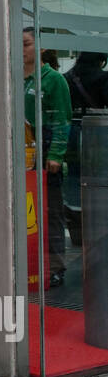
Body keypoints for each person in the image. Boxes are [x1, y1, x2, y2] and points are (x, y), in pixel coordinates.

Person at [23, 28, 72, 287]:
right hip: (21, 157)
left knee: (51, 212)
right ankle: (26, 264)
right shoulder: (13, 79)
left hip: (45, 156)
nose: (21, 50)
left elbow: (62, 119)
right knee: (25, 213)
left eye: (26, 44)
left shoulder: (53, 79)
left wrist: (55, 155)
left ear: (40, 47)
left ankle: (55, 267)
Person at [62, 52, 108, 245]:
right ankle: (98, 226)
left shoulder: (67, 77)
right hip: (96, 134)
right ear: (101, 60)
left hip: (71, 132)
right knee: (99, 177)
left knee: (74, 177)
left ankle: (78, 229)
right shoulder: (102, 77)